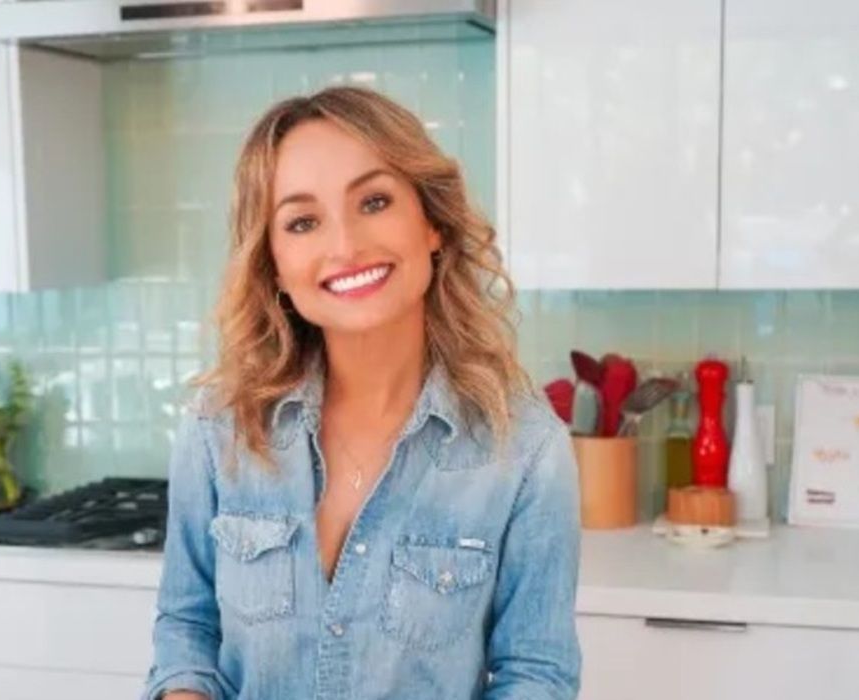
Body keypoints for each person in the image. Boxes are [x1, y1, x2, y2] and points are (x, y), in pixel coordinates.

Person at [143, 85, 580, 700]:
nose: (345, 246)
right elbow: (187, 629)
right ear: (274, 265)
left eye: (374, 201)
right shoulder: (220, 428)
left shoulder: (526, 449)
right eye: (303, 222)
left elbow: (537, 675)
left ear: (431, 222)